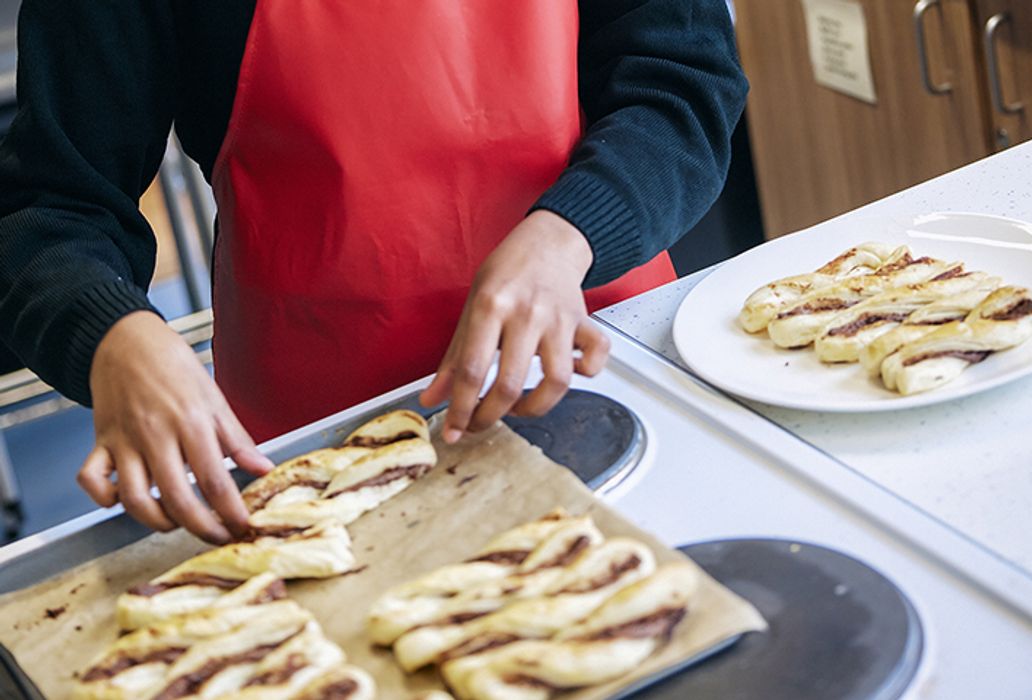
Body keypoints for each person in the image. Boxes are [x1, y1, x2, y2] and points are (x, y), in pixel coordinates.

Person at [0, 1, 747, 544]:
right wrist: (115, 339)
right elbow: (51, 205)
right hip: (320, 450)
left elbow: (683, 81)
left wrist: (567, 234)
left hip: (597, 363)